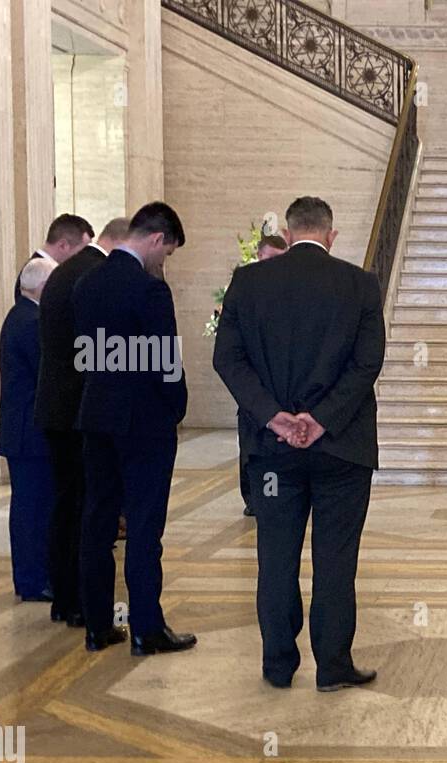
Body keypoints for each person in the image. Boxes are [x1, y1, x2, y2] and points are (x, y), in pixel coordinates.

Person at [215, 197, 385, 691]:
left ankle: (277, 664)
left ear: (288, 234)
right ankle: (332, 667)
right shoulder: (360, 284)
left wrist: (276, 418)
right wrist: (322, 419)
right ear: (331, 235)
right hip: (342, 449)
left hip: (273, 453)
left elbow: (228, 360)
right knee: (336, 558)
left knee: (275, 555)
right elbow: (367, 363)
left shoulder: (248, 282)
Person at [73, 202, 195, 656]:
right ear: (157, 239)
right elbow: (165, 361)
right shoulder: (149, 290)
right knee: (144, 527)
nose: (165, 263)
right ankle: (146, 629)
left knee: (97, 520)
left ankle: (98, 626)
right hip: (143, 424)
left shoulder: (86, 282)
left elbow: (84, 352)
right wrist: (177, 407)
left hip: (96, 417)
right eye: (168, 253)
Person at [34, 216, 129, 627]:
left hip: (56, 407)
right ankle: (79, 604)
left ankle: (63, 596)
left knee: (66, 505)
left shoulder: (63, 272)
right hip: (80, 410)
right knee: (87, 508)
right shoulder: (96, 274)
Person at [0, 257, 57, 603]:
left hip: (23, 432)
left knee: (30, 508)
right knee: (32, 510)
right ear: (41, 288)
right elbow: (45, 372)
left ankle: (33, 576)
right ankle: (33, 579)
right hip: (29, 433)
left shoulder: (20, 315)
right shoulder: (31, 321)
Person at [237, 233, 290, 517]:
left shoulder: (290, 290)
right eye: (271, 259)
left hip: (281, 382)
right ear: (259, 256)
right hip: (253, 385)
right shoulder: (245, 285)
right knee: (250, 446)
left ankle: (276, 495)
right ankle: (253, 497)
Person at [15, 214, 92, 300]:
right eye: (82, 251)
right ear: (63, 246)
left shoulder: (35, 270)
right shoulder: (39, 274)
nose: (84, 257)